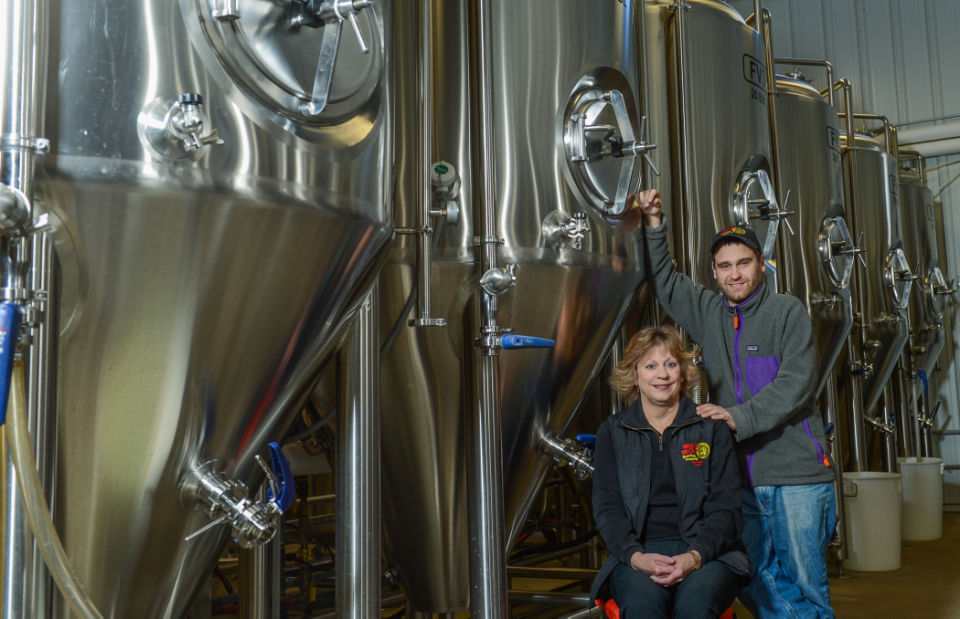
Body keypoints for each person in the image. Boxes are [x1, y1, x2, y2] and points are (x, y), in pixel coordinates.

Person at [631, 188, 837, 618]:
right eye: (725, 266)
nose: (735, 274)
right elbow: (665, 280)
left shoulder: (788, 312)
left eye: (744, 263)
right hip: (739, 478)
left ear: (761, 263)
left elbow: (797, 383)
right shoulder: (708, 313)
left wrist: (738, 417)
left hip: (796, 477)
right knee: (750, 577)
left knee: (806, 582)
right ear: (714, 272)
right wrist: (654, 223)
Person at [590, 326, 749, 618]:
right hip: (639, 550)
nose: (662, 375)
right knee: (641, 605)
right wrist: (636, 557)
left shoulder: (711, 429)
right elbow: (608, 508)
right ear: (634, 374)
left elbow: (726, 508)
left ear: (683, 373)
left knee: (695, 605)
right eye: (650, 366)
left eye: (671, 364)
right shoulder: (613, 432)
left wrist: (694, 557)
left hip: (707, 551)